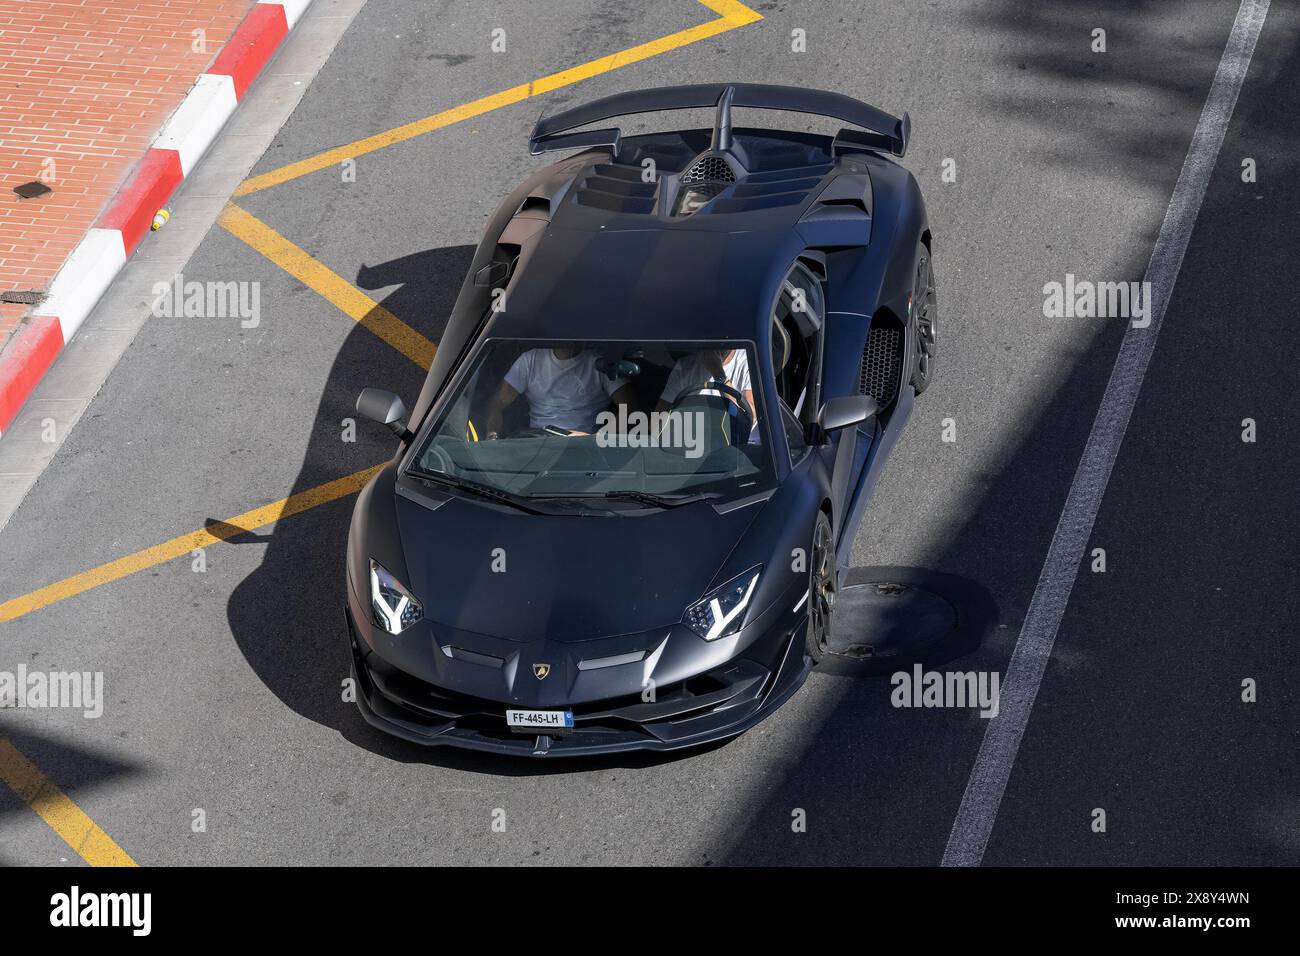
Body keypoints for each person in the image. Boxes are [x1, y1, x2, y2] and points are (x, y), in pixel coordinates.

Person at [483, 347, 637, 437]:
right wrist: (492, 437)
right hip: (534, 441)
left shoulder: (599, 363)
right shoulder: (530, 359)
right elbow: (497, 403)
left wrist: (598, 439)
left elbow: (631, 408)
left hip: (583, 448)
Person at [657, 348, 756, 422]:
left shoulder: (748, 362)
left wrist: (719, 374)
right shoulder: (685, 366)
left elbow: (750, 418)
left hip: (739, 443)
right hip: (695, 441)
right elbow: (659, 419)